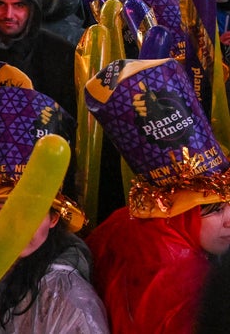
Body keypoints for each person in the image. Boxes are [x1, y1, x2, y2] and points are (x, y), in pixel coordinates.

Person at [0, 65, 109, 334]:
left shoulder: (68, 298)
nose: (15, 227)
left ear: (53, 217)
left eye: (31, 211)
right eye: (2, 209)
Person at [86, 58, 230, 334]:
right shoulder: (186, 279)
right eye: (211, 209)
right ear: (176, 210)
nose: (229, 220)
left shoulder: (123, 221)